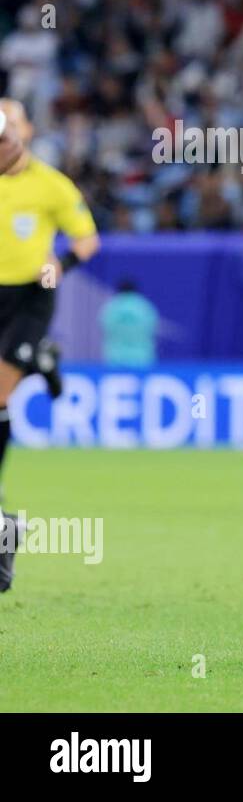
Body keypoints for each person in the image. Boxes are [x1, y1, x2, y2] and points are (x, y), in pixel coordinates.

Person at [0, 99, 100, 592]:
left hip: (30, 297)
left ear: (24, 133)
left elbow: (86, 240)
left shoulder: (51, 184)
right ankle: (2, 524)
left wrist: (59, 266)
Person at [99, 280, 159, 367]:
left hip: (115, 357)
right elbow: (152, 328)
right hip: (142, 358)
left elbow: (104, 327)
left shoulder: (111, 307)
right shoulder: (144, 307)